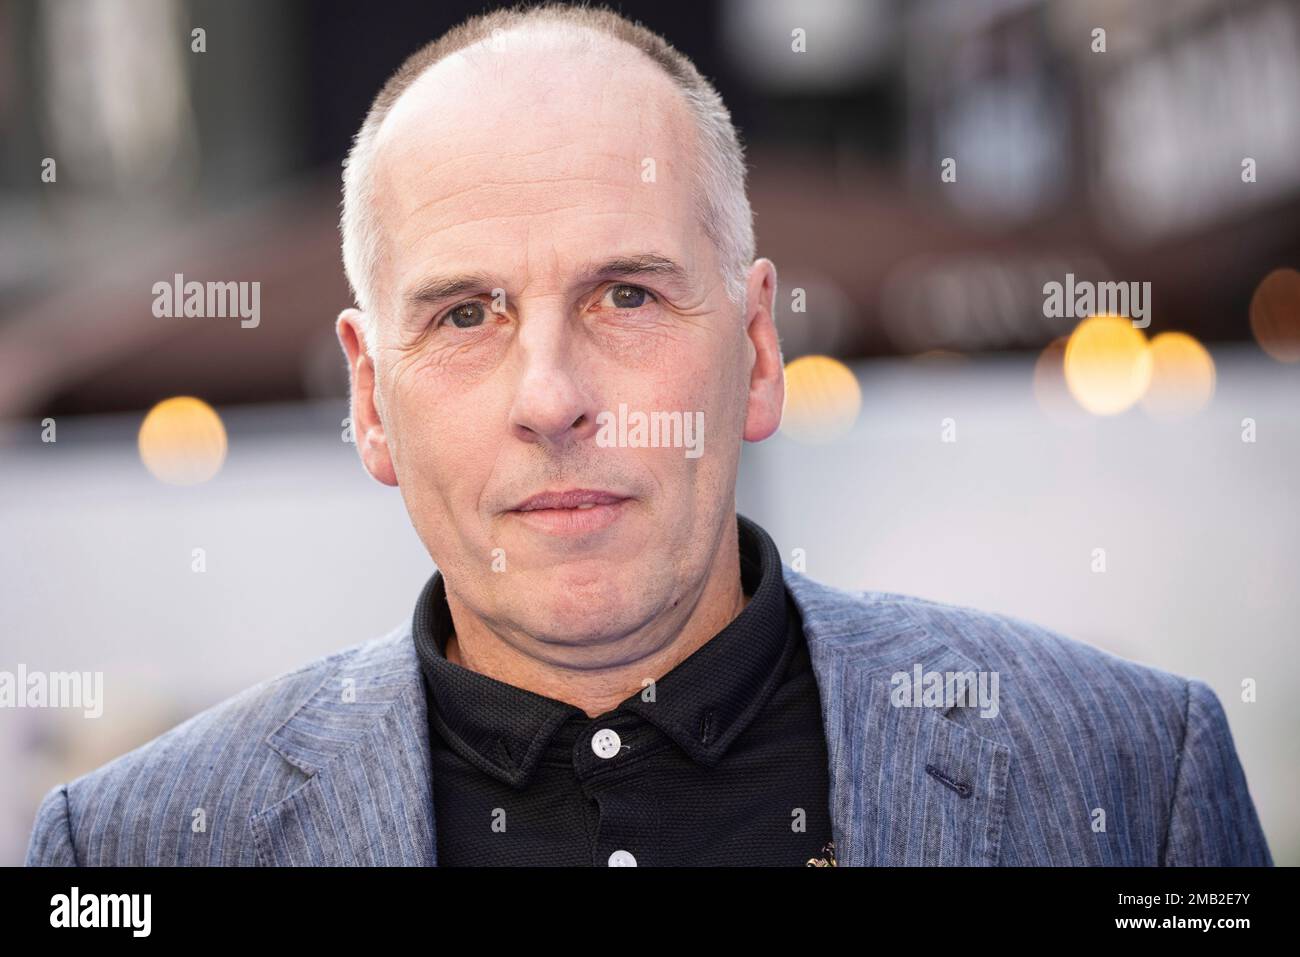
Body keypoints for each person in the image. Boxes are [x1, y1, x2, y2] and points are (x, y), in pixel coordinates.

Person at [26, 2, 1271, 867]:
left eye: (625, 294)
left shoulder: (1124, 772)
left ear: (757, 349)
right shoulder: (134, 848)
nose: (552, 395)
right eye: (467, 314)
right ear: (369, 400)